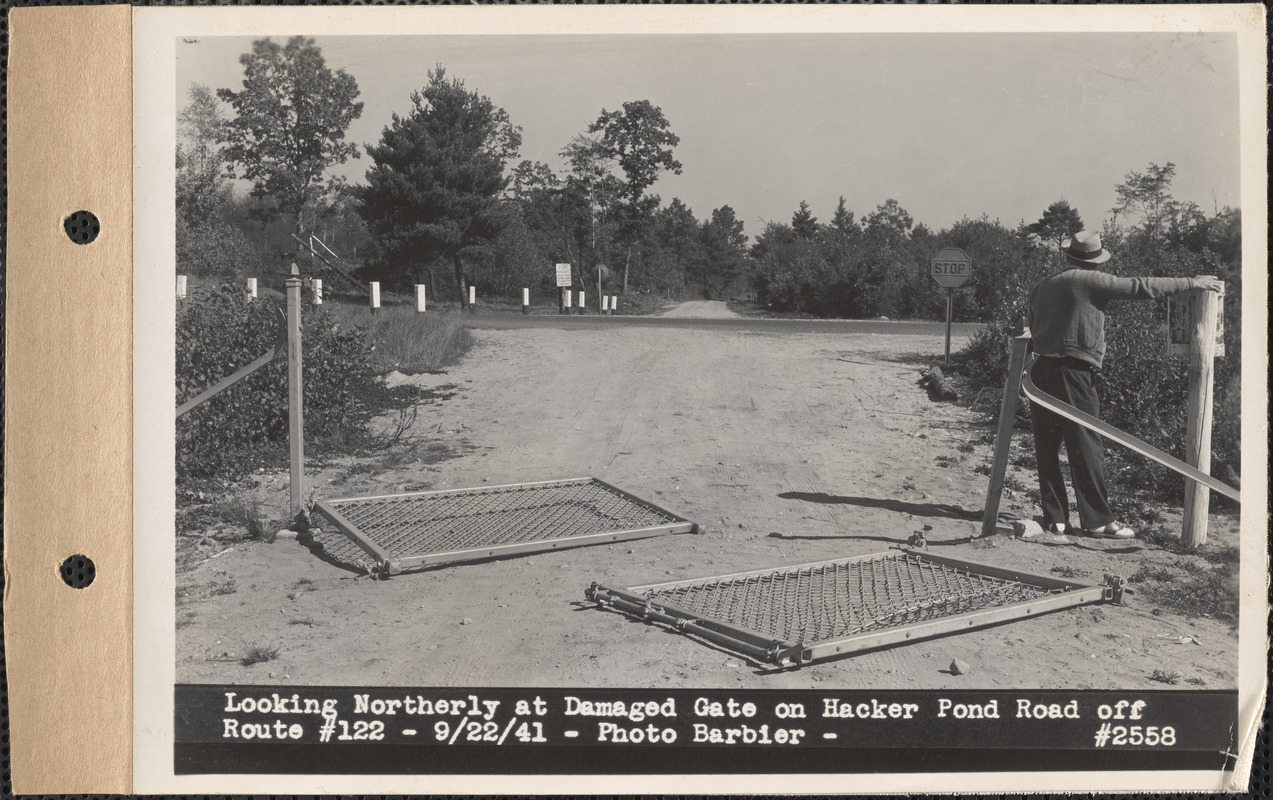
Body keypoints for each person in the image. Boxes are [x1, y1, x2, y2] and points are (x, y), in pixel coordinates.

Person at [1025, 230, 1224, 539]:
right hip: (1073, 371)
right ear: (1095, 261)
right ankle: (1098, 521)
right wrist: (1191, 282)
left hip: (1041, 370)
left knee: (1047, 447)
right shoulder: (1088, 280)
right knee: (1086, 445)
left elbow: (1033, 326)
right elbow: (1140, 287)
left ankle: (1056, 519)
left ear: (1068, 256)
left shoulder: (1041, 287)